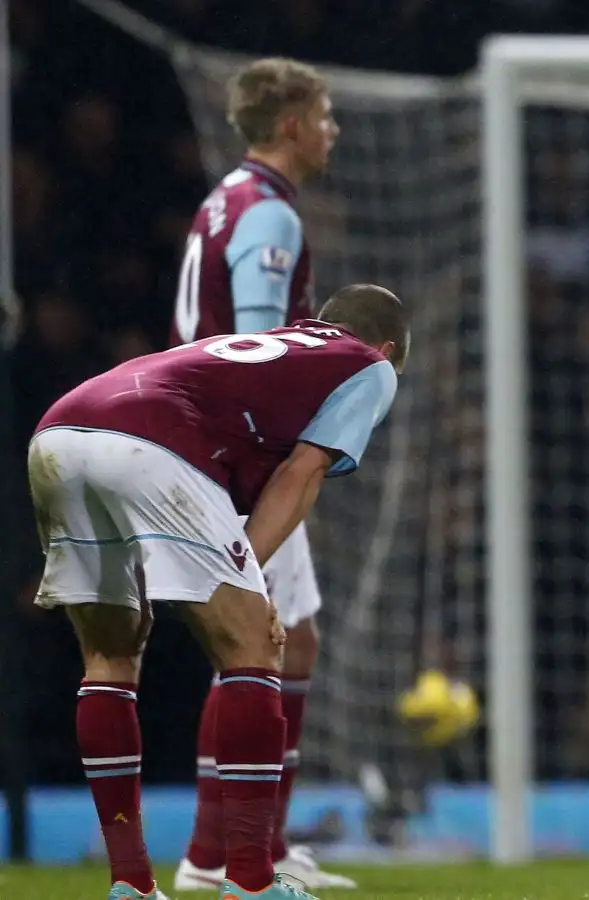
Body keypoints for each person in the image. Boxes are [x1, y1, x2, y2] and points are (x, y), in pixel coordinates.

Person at [28, 285, 408, 900]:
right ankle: (252, 882)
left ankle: (130, 884)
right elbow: (302, 471)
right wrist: (248, 582)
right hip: (148, 439)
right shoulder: (371, 366)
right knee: (253, 644)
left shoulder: (264, 349)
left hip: (60, 428)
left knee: (109, 658)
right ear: (389, 349)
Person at [168, 56, 355, 892]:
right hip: (242, 456)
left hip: (215, 445)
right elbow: (253, 350)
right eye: (324, 114)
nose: (333, 129)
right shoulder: (268, 216)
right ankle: (217, 855)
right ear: (290, 125)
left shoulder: (224, 202)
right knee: (257, 644)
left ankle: (261, 843)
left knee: (294, 635)